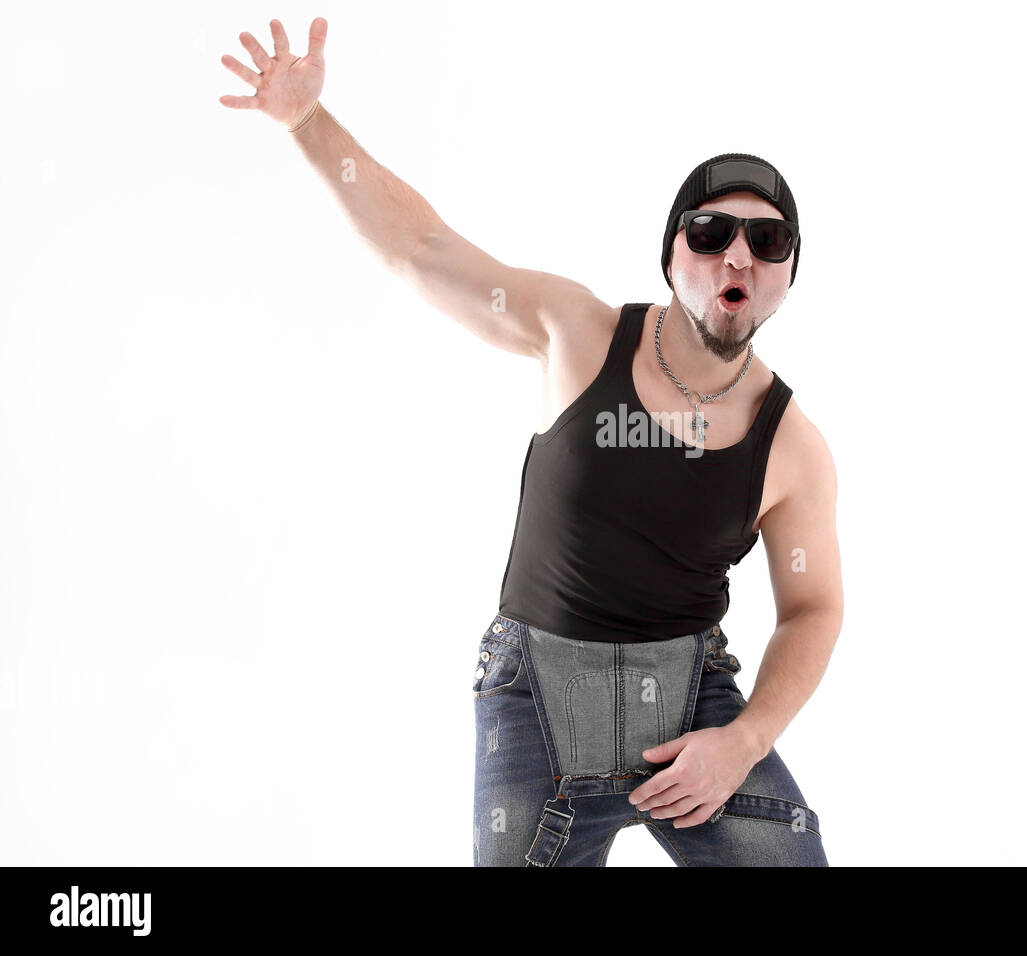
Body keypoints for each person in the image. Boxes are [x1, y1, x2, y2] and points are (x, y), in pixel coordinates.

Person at [220, 17, 843, 867]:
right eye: (711, 232)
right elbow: (421, 247)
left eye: (765, 240)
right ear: (674, 253)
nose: (737, 253)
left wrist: (740, 742)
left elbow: (814, 608)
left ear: (787, 271)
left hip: (693, 705)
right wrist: (308, 123)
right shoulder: (575, 333)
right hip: (537, 700)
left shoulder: (793, 447)